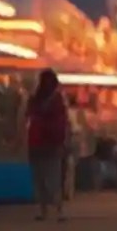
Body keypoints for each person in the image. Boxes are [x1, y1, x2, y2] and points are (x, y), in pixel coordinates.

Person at [26, 69, 68, 221]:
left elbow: (26, 117)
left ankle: (42, 210)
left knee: (39, 178)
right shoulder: (58, 100)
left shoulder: (34, 99)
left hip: (36, 141)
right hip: (53, 143)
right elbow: (64, 123)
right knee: (54, 177)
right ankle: (59, 210)